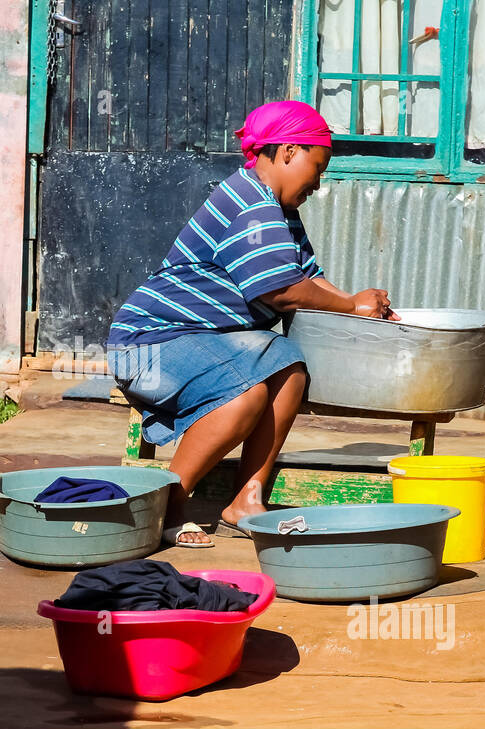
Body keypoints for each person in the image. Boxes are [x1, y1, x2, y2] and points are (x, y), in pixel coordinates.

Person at [106, 100, 400, 548]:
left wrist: (361, 303)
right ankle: (169, 503)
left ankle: (246, 499)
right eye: (317, 168)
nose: (318, 184)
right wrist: (353, 307)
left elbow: (309, 280)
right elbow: (279, 291)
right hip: (151, 344)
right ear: (287, 152)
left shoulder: (279, 210)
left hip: (208, 343)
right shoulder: (250, 203)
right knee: (244, 394)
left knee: (288, 367)